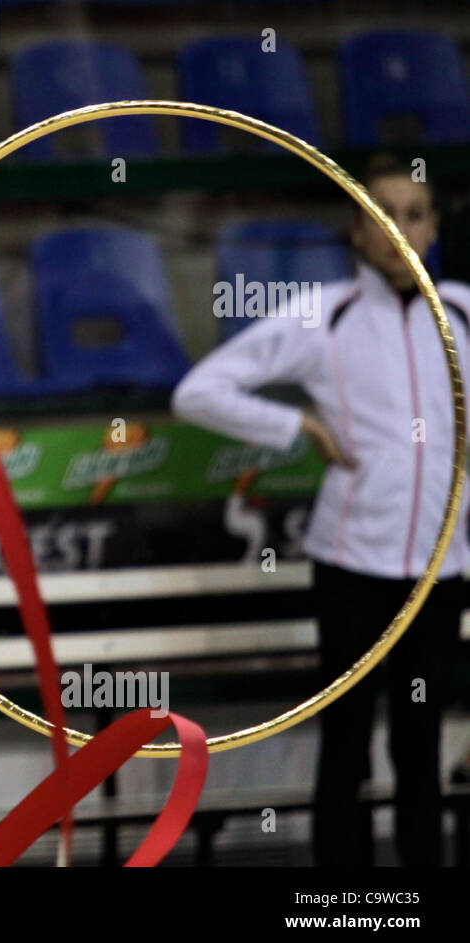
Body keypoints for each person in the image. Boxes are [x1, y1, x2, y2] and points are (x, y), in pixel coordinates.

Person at [172, 154, 470, 866]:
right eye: (381, 215)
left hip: (441, 566)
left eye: (414, 214)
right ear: (357, 231)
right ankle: (344, 907)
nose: (398, 230)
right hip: (351, 566)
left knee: (421, 741)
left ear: (433, 229)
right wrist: (296, 427)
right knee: (345, 741)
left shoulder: (461, 312)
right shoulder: (320, 317)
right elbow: (200, 391)